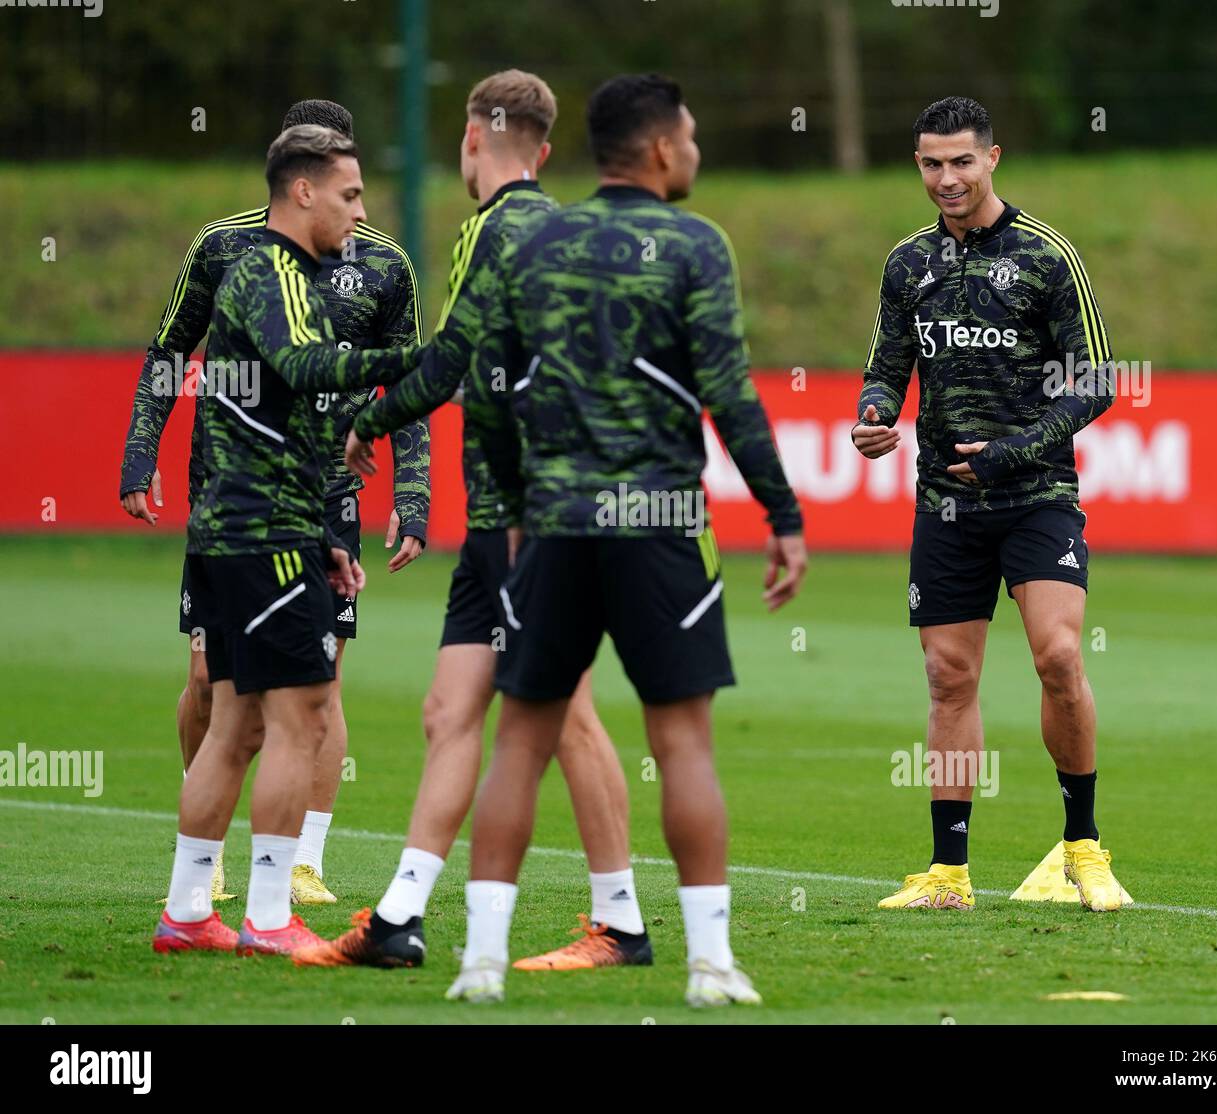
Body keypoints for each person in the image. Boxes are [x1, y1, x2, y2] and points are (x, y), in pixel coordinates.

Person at [442, 73, 808, 1007]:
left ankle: (480, 962)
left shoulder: (532, 239)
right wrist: (783, 515)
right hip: (660, 526)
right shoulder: (692, 243)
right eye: (688, 138)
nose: (694, 152)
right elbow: (729, 392)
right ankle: (711, 965)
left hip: (557, 525)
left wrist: (515, 506)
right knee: (682, 744)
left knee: (519, 741)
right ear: (656, 149)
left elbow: (485, 392)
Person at [295, 70, 652, 973]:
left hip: (534, 516)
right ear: (542, 144)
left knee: (563, 710)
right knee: (450, 709)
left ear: (470, 140)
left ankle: (623, 926)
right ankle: (398, 921)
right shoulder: (560, 226)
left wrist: (365, 418)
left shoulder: (498, 230)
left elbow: (448, 359)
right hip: (506, 515)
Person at [120, 99, 429, 905]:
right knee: (222, 688)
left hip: (318, 500)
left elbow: (397, 394)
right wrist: (140, 451)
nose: (360, 208)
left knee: (312, 689)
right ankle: (222, 873)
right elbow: (177, 351)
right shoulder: (236, 254)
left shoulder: (384, 265)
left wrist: (413, 489)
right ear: (302, 183)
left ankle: (294, 866)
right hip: (243, 502)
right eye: (349, 189)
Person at [852, 95, 1124, 912]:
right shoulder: (907, 265)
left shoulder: (1046, 257)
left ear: (993, 158)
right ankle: (948, 873)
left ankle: (1083, 846)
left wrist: (1015, 451)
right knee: (948, 677)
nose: (947, 178)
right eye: (932, 163)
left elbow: (1097, 380)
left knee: (1059, 658)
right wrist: (872, 414)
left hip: (1037, 496)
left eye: (962, 161)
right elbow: (886, 366)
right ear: (918, 165)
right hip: (944, 505)